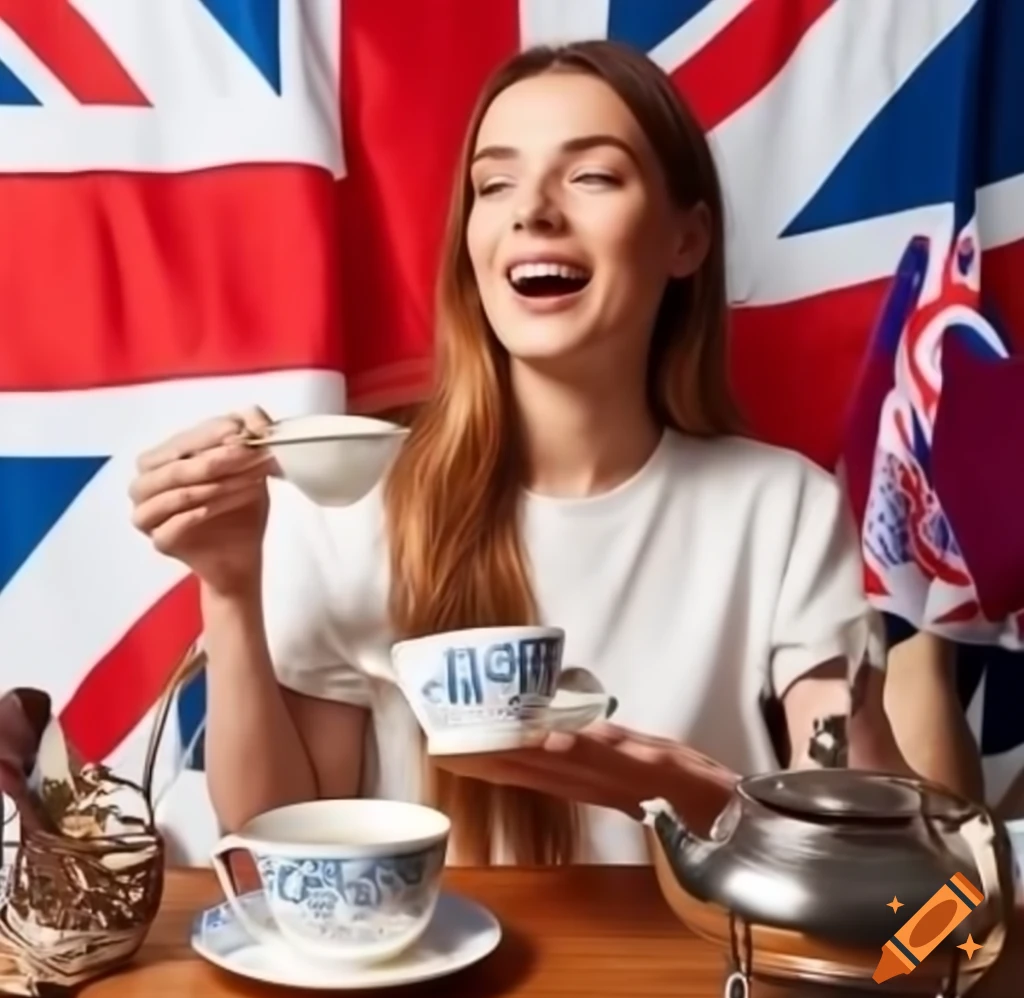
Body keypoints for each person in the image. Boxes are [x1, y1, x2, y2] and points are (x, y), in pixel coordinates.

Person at [130, 40, 917, 866]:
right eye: (494, 183)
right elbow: (272, 851)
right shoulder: (350, 495)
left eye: (593, 177)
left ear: (686, 242)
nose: (531, 211)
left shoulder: (781, 508)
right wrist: (227, 586)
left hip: (688, 983)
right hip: (430, 989)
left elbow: (885, 884)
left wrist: (696, 796)